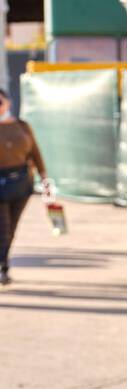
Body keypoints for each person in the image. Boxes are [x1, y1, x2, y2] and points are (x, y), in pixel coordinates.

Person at [0, 88, 48, 287]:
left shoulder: (22, 126)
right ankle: (3, 267)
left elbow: (35, 152)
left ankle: (4, 262)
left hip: (21, 184)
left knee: (12, 227)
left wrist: (44, 179)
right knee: (2, 227)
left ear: (8, 103)